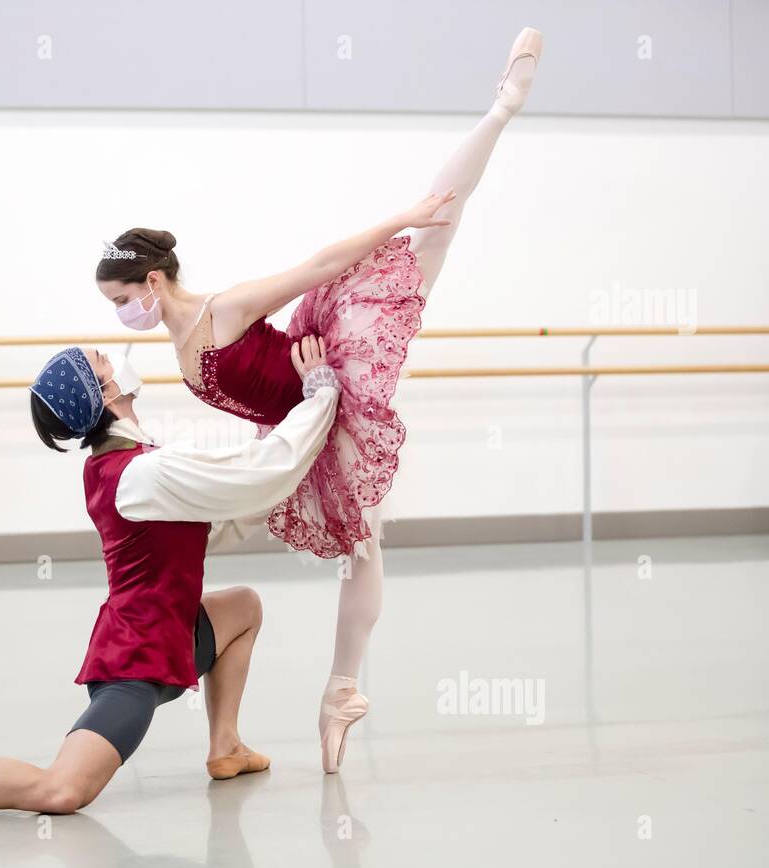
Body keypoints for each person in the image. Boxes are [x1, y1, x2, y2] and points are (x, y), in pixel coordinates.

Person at [95, 28, 544, 772]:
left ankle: (501, 107)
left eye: (120, 298)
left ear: (149, 284)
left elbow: (318, 265)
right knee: (362, 548)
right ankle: (341, 695)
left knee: (439, 222)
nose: (120, 314)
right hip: (309, 417)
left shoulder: (224, 309)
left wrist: (401, 219)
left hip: (333, 360)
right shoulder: (178, 354)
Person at [0, 335, 339, 815]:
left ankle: (226, 746)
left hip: (171, 634)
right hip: (137, 666)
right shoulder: (146, 471)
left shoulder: (120, 464)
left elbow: (211, 520)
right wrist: (319, 396)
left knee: (243, 607)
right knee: (60, 791)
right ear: (104, 395)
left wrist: (278, 478)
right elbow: (262, 470)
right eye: (104, 362)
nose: (114, 359)